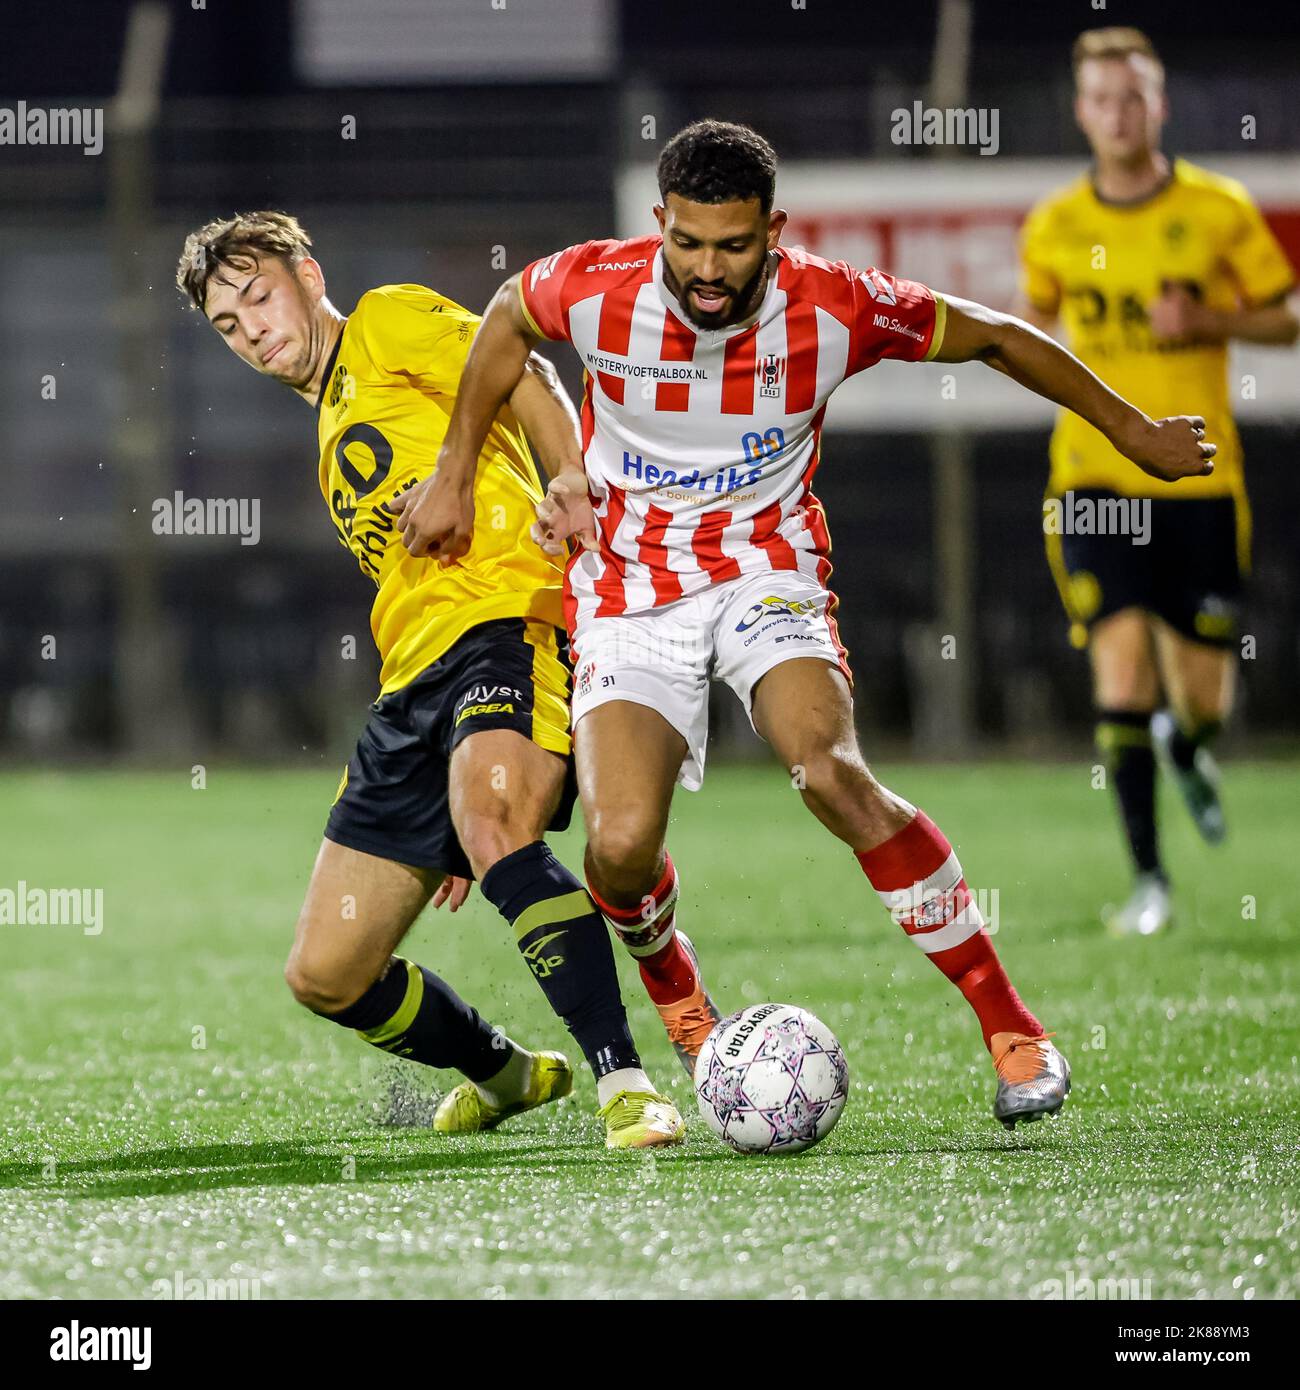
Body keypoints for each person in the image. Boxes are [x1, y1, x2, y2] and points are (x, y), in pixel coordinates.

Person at [392, 121, 1215, 1129]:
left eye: (731, 246)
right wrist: (453, 473)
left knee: (830, 771)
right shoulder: (597, 285)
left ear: (772, 231)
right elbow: (505, 318)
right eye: (686, 242)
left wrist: (1130, 431)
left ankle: (1012, 1027)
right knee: (615, 847)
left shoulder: (836, 305)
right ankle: (679, 995)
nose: (705, 269)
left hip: (763, 570)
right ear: (659, 223)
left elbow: (997, 335)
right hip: (628, 587)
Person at [175, 211, 684, 1150]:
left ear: (308, 271)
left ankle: (629, 1084)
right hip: (412, 686)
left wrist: (572, 480)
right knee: (326, 973)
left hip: (506, 618)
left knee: (493, 822)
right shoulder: (330, 419)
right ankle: (507, 1073)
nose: (252, 327)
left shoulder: (386, 321)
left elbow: (523, 367)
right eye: (227, 323)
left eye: (259, 294)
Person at [1016, 28, 1298, 936]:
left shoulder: (1217, 208)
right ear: (1081, 112)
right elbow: (1035, 325)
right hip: (1096, 475)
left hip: (1202, 481)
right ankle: (1149, 881)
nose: (1118, 114)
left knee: (1203, 695)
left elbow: (1285, 318)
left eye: (1133, 97)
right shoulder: (1055, 223)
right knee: (1123, 660)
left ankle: (1191, 742)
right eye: (1101, 99)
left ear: (1158, 105)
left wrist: (1208, 316)